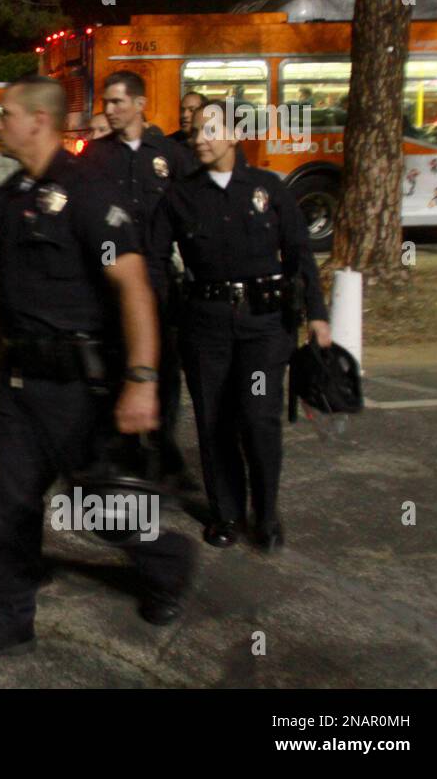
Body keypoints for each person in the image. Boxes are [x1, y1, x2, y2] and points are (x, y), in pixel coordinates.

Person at [0, 77, 194, 669]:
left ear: (38, 119)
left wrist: (141, 378)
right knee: (11, 506)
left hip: (82, 388)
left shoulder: (88, 191)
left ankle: (168, 563)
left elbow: (132, 286)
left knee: (100, 508)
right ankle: (6, 620)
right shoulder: (7, 198)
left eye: (5, 114)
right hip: (21, 387)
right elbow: (7, 288)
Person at [149, 99, 331, 552]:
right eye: (194, 132)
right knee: (213, 422)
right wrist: (159, 316)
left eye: (211, 129)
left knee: (258, 418)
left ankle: (265, 516)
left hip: (263, 327)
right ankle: (225, 513)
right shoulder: (178, 196)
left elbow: (299, 254)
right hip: (205, 327)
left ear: (233, 133)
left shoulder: (269, 188)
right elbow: (152, 260)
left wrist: (318, 316)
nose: (201, 138)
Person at [89, 70, 196, 484]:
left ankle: (162, 449)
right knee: (117, 365)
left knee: (163, 368)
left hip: (156, 278)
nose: (109, 110)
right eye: (107, 103)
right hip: (111, 280)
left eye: (117, 102)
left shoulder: (170, 155)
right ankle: (123, 453)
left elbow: (191, 217)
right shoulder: (95, 156)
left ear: (140, 103)